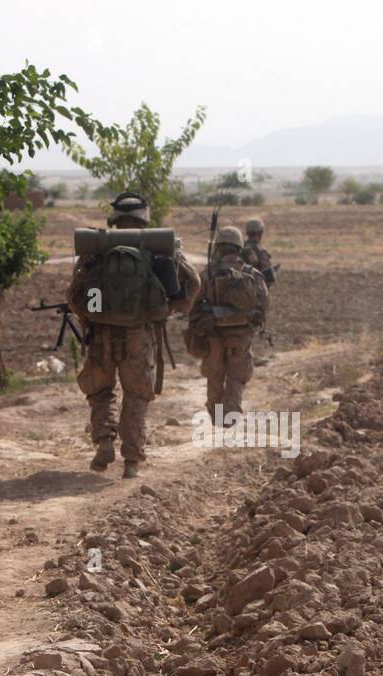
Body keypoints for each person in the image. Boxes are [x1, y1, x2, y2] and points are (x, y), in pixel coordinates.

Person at [66, 192, 199, 480]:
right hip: (139, 334)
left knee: (100, 391)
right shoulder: (158, 247)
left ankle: (103, 442)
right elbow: (194, 282)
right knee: (137, 395)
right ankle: (132, 462)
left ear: (113, 218)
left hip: (101, 334)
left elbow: (76, 293)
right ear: (145, 218)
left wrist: (90, 315)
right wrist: (172, 309)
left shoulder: (98, 246)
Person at [187, 227, 269, 420]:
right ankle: (231, 413)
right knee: (237, 376)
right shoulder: (251, 273)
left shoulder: (207, 274)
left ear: (218, 247)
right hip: (241, 334)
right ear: (239, 247)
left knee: (214, 375)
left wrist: (200, 322)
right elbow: (264, 302)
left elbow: (193, 303)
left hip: (214, 334)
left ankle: (216, 415)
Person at [241, 218, 277, 286]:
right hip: (256, 288)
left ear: (247, 232)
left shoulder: (240, 246)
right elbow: (269, 278)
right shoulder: (261, 250)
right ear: (261, 233)